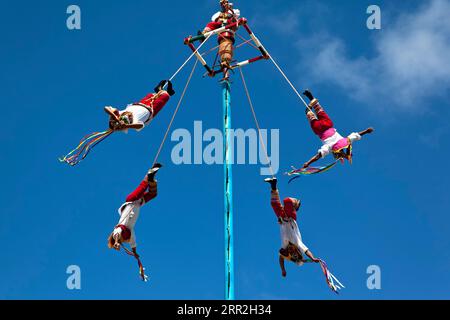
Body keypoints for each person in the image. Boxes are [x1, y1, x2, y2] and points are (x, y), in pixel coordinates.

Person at [301, 90, 374, 169]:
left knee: (318, 109)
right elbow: (318, 156)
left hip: (327, 124)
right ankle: (309, 105)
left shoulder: (344, 141)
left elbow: (355, 136)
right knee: (309, 113)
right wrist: (308, 163)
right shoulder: (329, 148)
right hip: (319, 129)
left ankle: (311, 98)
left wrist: (366, 131)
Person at [264, 177, 320, 277]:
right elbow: (306, 251)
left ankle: (273, 184)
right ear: (296, 252)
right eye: (293, 253)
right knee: (287, 201)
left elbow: (281, 258)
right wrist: (313, 258)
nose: (290, 251)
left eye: (290, 253)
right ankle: (296, 204)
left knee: (274, 203)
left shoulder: (285, 246)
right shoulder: (298, 244)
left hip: (281, 217)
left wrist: (283, 270)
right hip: (290, 218)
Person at [107, 164, 162, 255]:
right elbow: (133, 243)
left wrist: (116, 241)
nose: (125, 240)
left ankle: (149, 175)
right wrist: (135, 252)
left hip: (131, 200)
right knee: (153, 194)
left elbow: (117, 233)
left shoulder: (120, 227)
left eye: (122, 240)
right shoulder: (130, 230)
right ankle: (151, 179)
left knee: (143, 187)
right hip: (138, 203)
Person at [104, 80, 175, 133]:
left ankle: (159, 90)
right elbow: (140, 125)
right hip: (151, 109)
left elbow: (106, 108)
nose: (129, 116)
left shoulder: (120, 113)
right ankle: (167, 92)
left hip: (140, 104)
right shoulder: (133, 122)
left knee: (151, 95)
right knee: (165, 96)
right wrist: (126, 126)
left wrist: (114, 116)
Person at [201, 0, 241, 78]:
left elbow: (235, 22)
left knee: (226, 51)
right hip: (221, 28)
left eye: (225, 3)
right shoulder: (218, 14)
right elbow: (214, 23)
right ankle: (203, 36)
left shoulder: (233, 12)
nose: (224, 4)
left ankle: (226, 69)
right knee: (210, 25)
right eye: (222, 3)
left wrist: (231, 11)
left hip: (229, 28)